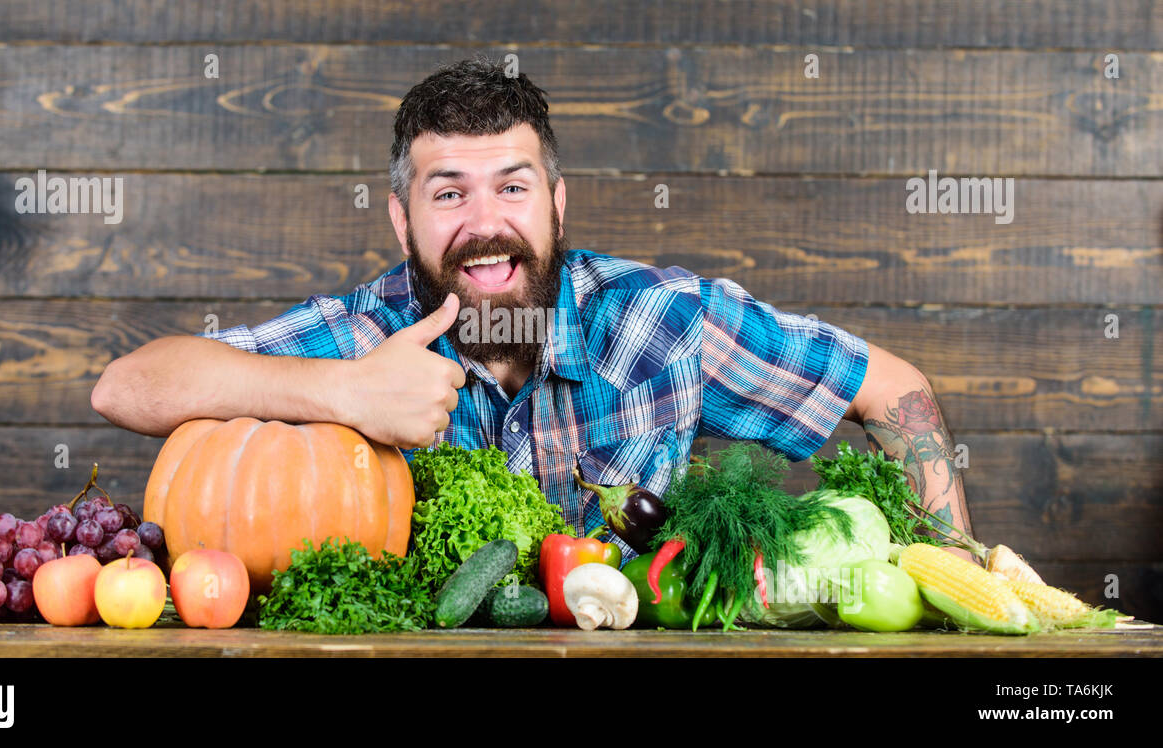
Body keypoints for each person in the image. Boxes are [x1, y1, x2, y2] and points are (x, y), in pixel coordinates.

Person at [91, 56, 973, 559]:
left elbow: (895, 393)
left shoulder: (662, 324)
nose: (484, 227)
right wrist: (342, 395)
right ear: (401, 217)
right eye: (448, 195)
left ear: (557, 204)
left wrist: (964, 589)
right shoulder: (367, 333)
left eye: (512, 188)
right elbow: (128, 388)